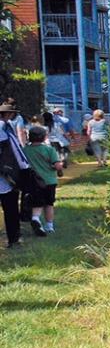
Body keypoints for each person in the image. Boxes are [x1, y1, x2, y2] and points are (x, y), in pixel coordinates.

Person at [0, 103, 31, 247]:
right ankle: (14, 238)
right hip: (6, 175)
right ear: (6, 114)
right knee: (11, 209)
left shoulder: (7, 127)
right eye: (10, 113)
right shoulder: (2, 128)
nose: (11, 116)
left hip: (7, 174)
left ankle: (14, 237)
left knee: (11, 208)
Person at [23, 126, 62, 236]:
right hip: (49, 181)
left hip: (33, 181)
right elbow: (57, 165)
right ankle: (49, 226)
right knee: (49, 204)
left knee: (37, 202)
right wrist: (60, 167)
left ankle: (36, 218)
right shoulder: (49, 150)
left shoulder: (25, 150)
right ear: (44, 137)